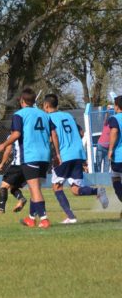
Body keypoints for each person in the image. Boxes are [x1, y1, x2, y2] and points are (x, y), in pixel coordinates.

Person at [43, 93, 109, 223]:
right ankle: (97, 191)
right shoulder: (68, 116)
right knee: (75, 190)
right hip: (78, 154)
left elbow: (52, 137)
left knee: (57, 187)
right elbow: (81, 133)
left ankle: (71, 217)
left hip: (64, 155)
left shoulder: (47, 118)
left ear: (46, 105)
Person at [0, 88, 52, 228]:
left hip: (30, 155)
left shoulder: (19, 114)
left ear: (22, 100)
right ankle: (31, 219)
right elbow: (53, 134)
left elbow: (16, 134)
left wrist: (4, 144)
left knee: (35, 189)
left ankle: (44, 219)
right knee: (35, 189)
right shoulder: (44, 114)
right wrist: (57, 154)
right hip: (45, 156)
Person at [0, 143, 27, 215]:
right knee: (13, 187)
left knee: (4, 186)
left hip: (17, 165)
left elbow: (8, 150)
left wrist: (2, 164)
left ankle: (1, 209)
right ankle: (21, 199)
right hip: (29, 165)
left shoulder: (13, 136)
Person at [106, 95, 122, 217]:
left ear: (116, 106)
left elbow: (114, 131)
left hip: (119, 156)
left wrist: (110, 149)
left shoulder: (115, 118)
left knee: (116, 179)